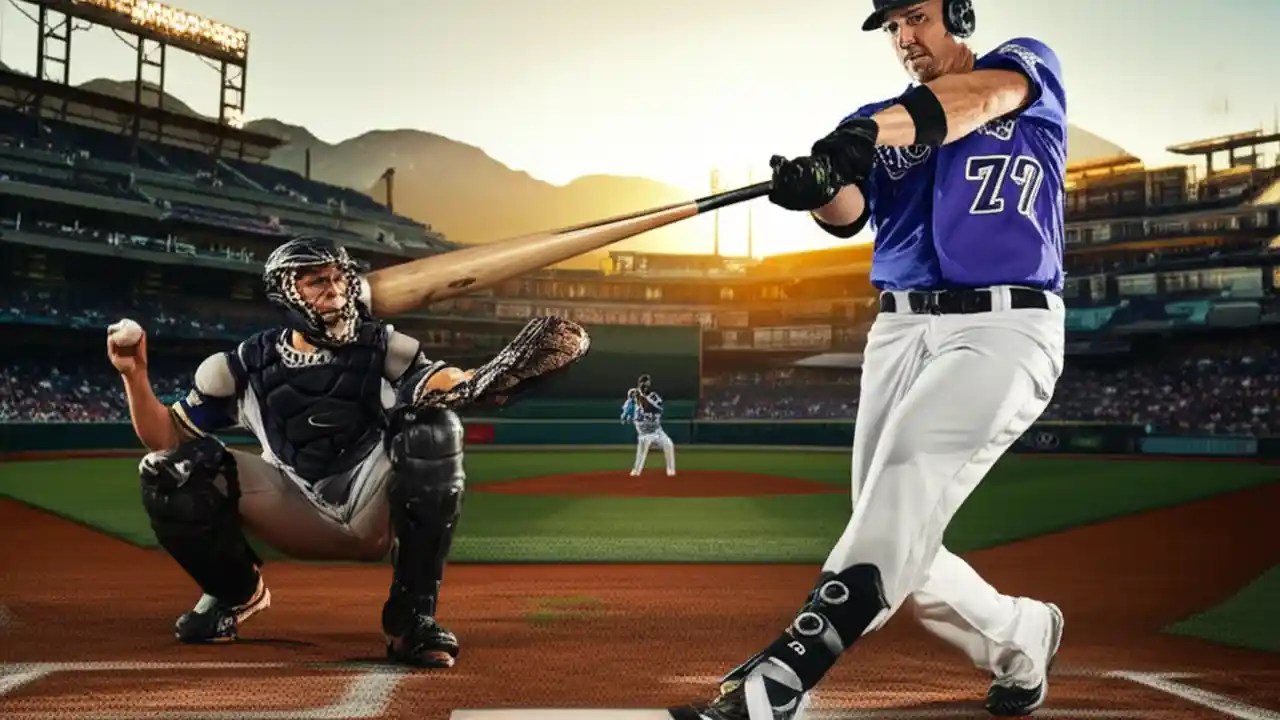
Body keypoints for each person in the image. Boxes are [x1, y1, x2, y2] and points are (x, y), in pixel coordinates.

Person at [668, 0, 1067, 718]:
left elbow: (974, 102)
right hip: (900, 329)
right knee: (888, 525)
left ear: (959, 13)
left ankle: (789, 671)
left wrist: (864, 134)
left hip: (1005, 324)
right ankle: (1020, 634)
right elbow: (850, 213)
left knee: (903, 481)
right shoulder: (876, 119)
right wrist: (819, 185)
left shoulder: (1024, 66)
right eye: (892, 28)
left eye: (916, 18)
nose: (904, 38)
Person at [107, 236, 585, 667]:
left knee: (435, 428)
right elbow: (166, 437)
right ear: (284, 293)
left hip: (367, 501)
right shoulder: (243, 364)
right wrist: (134, 375)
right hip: (290, 499)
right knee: (168, 470)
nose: (333, 289)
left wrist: (483, 378)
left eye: (338, 277)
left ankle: (411, 619)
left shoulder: (385, 347)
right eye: (316, 281)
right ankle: (235, 593)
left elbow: (441, 382)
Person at [621, 373, 676, 477]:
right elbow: (627, 410)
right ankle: (636, 472)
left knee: (668, 444)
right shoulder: (633, 395)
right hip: (643, 433)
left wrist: (641, 397)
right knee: (641, 455)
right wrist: (627, 414)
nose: (645, 386)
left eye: (646, 384)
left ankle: (671, 471)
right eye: (643, 383)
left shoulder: (653, 396)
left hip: (657, 431)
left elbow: (656, 407)